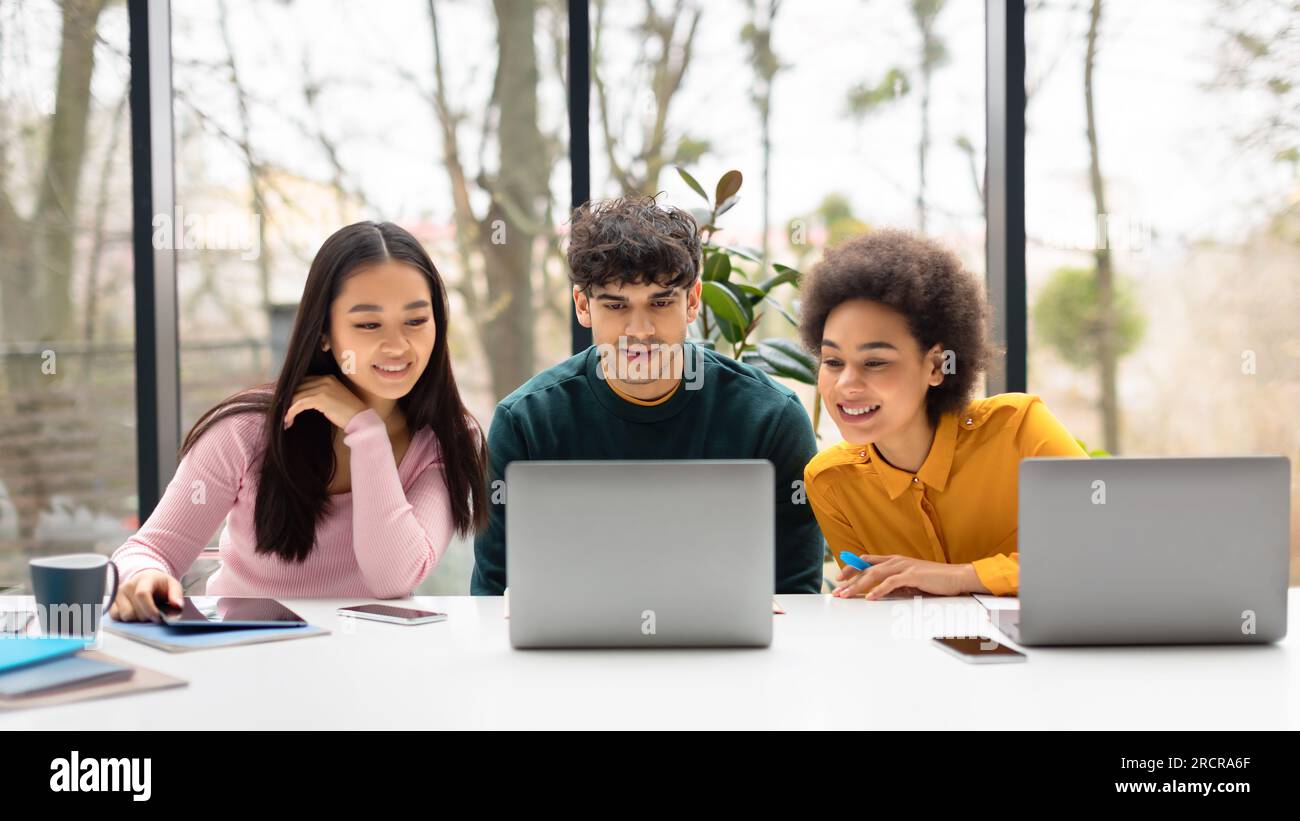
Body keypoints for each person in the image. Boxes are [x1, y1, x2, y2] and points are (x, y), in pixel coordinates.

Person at [109, 221, 487, 621]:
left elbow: (393, 578)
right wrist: (144, 576)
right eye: (368, 324)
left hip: (373, 663)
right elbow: (147, 551)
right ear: (324, 332)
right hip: (247, 655)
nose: (397, 345)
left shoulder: (450, 439)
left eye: (415, 321)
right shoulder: (246, 431)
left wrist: (366, 431)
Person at [471, 196, 824, 595]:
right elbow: (491, 593)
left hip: (725, 656)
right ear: (583, 306)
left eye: (660, 302)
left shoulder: (771, 419)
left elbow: (798, 596)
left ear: (691, 301)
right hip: (570, 656)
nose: (639, 330)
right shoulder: (526, 423)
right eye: (616, 305)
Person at [800, 229, 1086, 600]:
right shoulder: (831, 483)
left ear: (935, 366)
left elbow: (1104, 549)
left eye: (875, 362)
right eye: (833, 361)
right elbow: (877, 604)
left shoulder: (1019, 428)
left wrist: (961, 576)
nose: (846, 384)